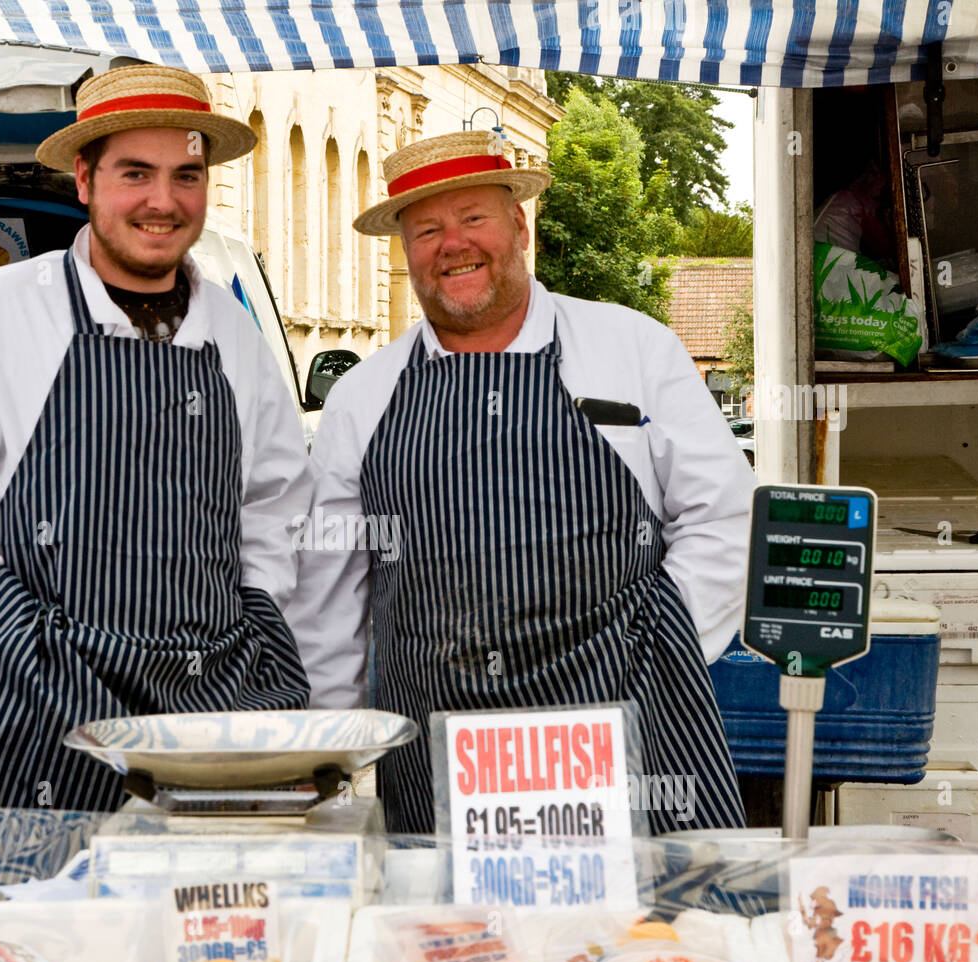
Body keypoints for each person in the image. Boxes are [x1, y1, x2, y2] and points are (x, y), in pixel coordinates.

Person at [0, 65, 311, 812]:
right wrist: (10, 639)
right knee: (13, 889)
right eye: (135, 173)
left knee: (193, 886)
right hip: (32, 703)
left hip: (205, 711)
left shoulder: (235, 335)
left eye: (186, 176)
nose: (163, 201)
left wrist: (255, 616)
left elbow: (275, 502)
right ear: (84, 181)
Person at [291, 130, 751, 835]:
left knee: (653, 907)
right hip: (444, 756)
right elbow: (329, 594)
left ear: (519, 227)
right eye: (427, 230)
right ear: (406, 250)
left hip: (628, 729)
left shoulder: (633, 348)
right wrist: (324, 755)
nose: (453, 244)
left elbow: (725, 517)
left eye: (473, 217)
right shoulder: (363, 398)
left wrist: (658, 646)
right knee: (454, 911)